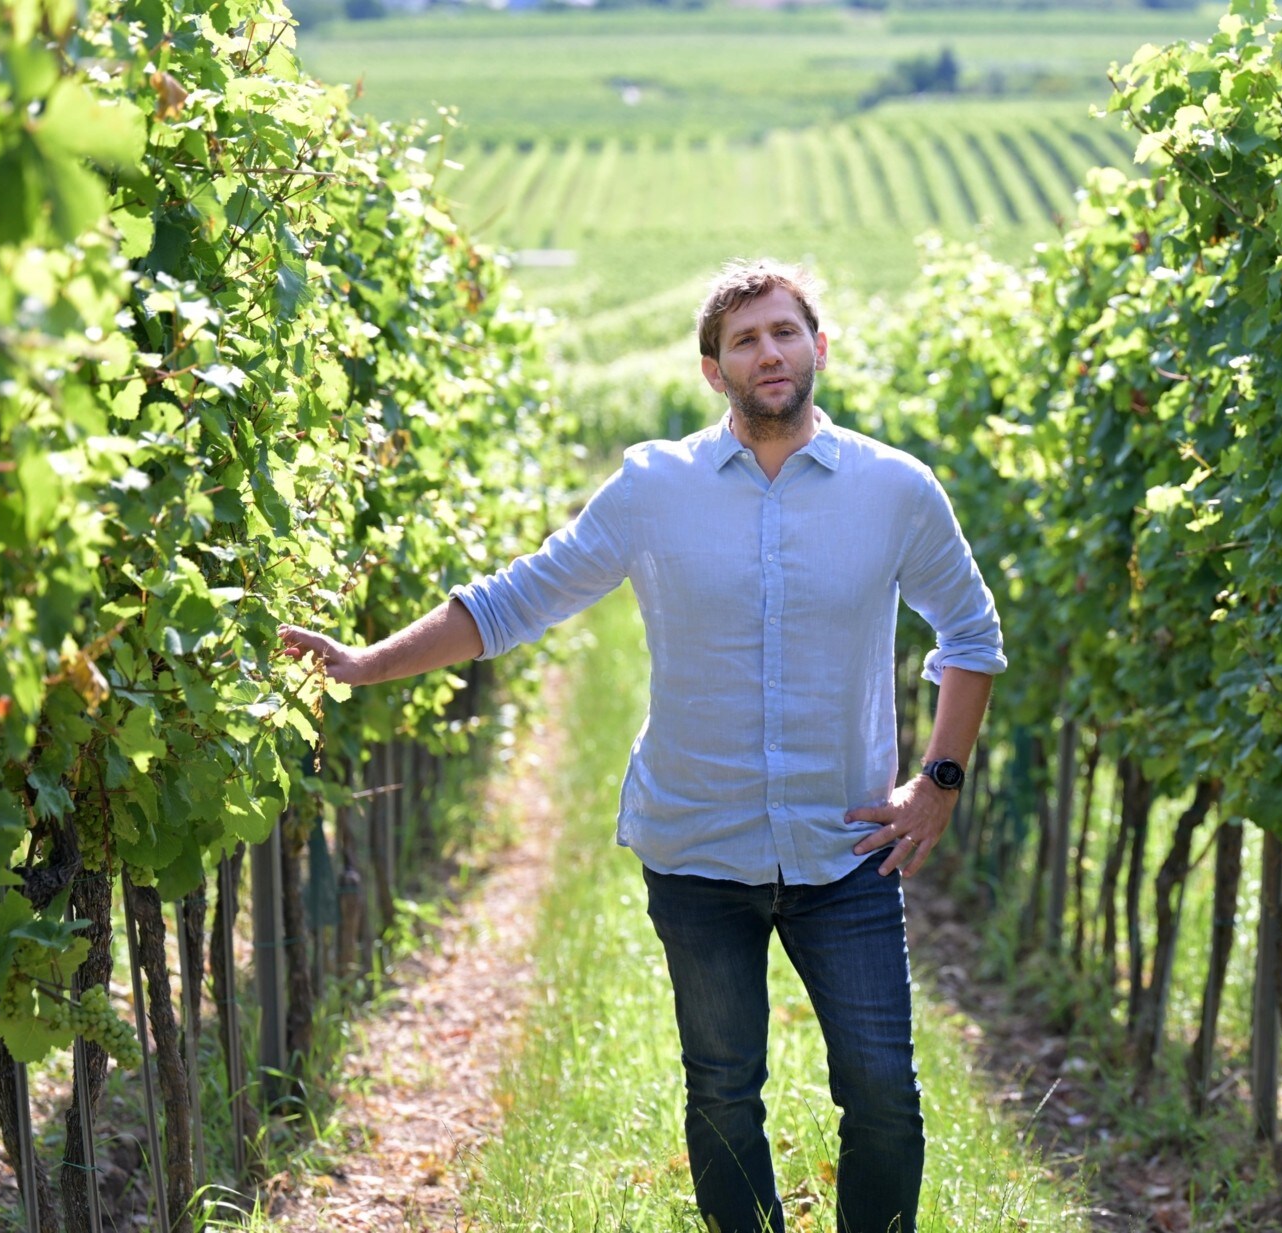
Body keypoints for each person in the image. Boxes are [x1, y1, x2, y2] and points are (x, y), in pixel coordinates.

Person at [278, 259, 1005, 1233]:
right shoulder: (654, 488)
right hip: (698, 849)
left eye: (785, 332)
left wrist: (939, 781)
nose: (770, 353)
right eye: (744, 340)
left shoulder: (896, 490)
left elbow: (971, 632)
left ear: (819, 347)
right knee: (721, 1094)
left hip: (847, 854)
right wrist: (367, 664)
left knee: (882, 1094)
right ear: (714, 371)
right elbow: (514, 598)